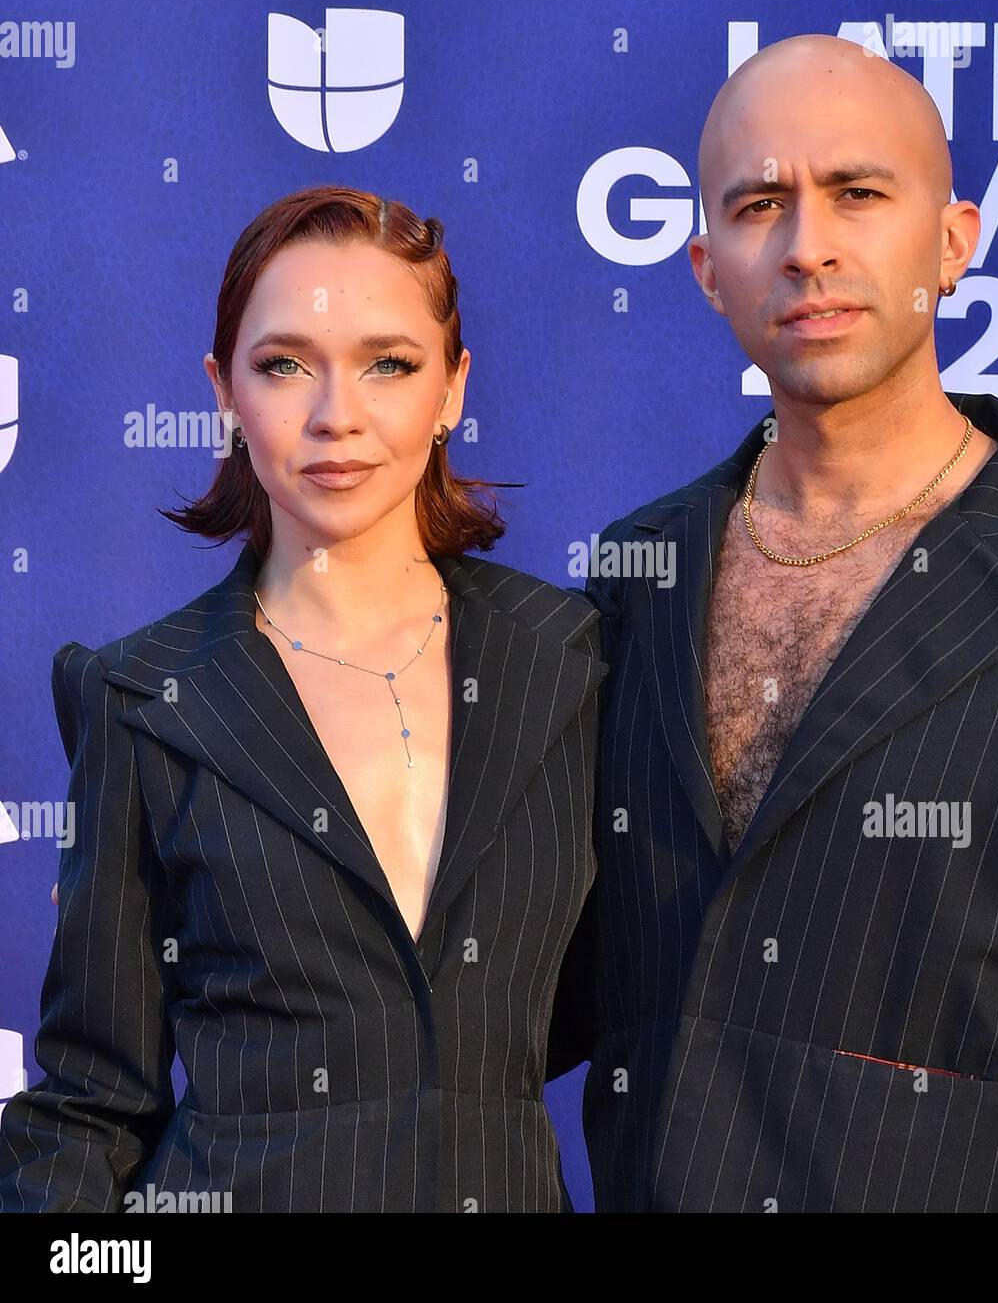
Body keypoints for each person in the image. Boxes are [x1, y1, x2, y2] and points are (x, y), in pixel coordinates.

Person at [568, 34, 998, 1211]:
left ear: (954, 242)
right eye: (760, 203)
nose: (809, 245)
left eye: (859, 193)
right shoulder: (632, 580)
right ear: (704, 266)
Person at [0, 186, 606, 1213]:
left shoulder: (574, 660)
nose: (337, 415)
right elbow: (91, 1099)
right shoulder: (141, 696)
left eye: (390, 363)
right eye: (284, 364)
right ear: (224, 393)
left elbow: (633, 992)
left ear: (454, 386)